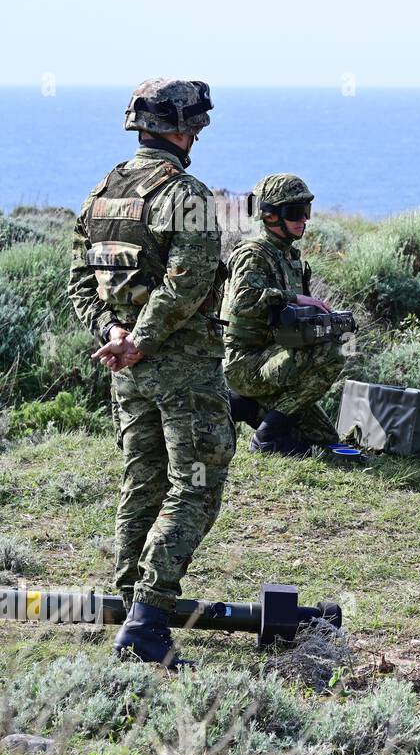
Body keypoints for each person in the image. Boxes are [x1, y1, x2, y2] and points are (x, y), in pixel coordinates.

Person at [66, 77, 231, 667]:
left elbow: (81, 280)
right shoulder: (186, 192)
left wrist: (113, 334)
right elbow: (189, 280)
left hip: (127, 370)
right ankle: (148, 619)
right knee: (197, 484)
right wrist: (140, 338)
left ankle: (124, 597)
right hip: (180, 368)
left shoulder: (102, 191)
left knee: (144, 479)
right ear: (188, 127)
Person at [222, 173, 353, 457]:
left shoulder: (289, 257)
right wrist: (293, 296)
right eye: (295, 213)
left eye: (306, 212)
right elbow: (242, 302)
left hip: (272, 356)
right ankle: (266, 437)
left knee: (326, 440)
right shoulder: (254, 254)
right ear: (269, 216)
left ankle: (245, 405)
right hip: (245, 362)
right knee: (331, 353)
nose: (303, 220)